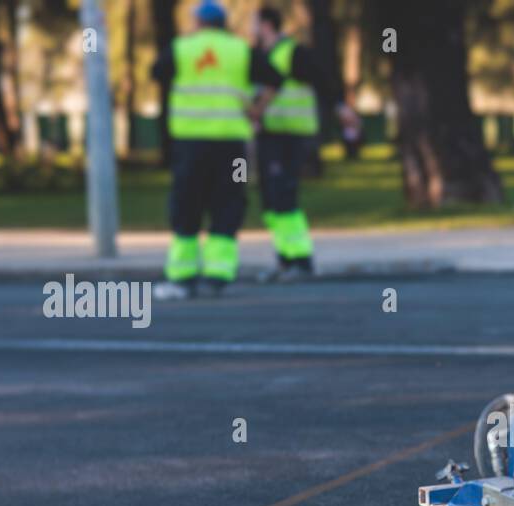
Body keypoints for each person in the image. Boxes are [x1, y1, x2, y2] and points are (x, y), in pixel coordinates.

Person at [152, 1, 283, 298]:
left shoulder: (182, 48)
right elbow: (275, 79)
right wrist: (256, 109)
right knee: (230, 201)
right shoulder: (240, 50)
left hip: (191, 145)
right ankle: (218, 274)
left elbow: (157, 73)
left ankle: (182, 277)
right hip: (232, 146)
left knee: (187, 203)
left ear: (197, 21)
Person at [253, 5, 359, 281]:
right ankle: (285, 259)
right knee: (270, 199)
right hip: (268, 133)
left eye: (255, 23)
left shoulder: (293, 53)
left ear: (266, 25)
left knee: (284, 195)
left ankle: (301, 260)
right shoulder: (260, 55)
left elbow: (323, 81)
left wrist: (340, 108)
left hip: (292, 133)